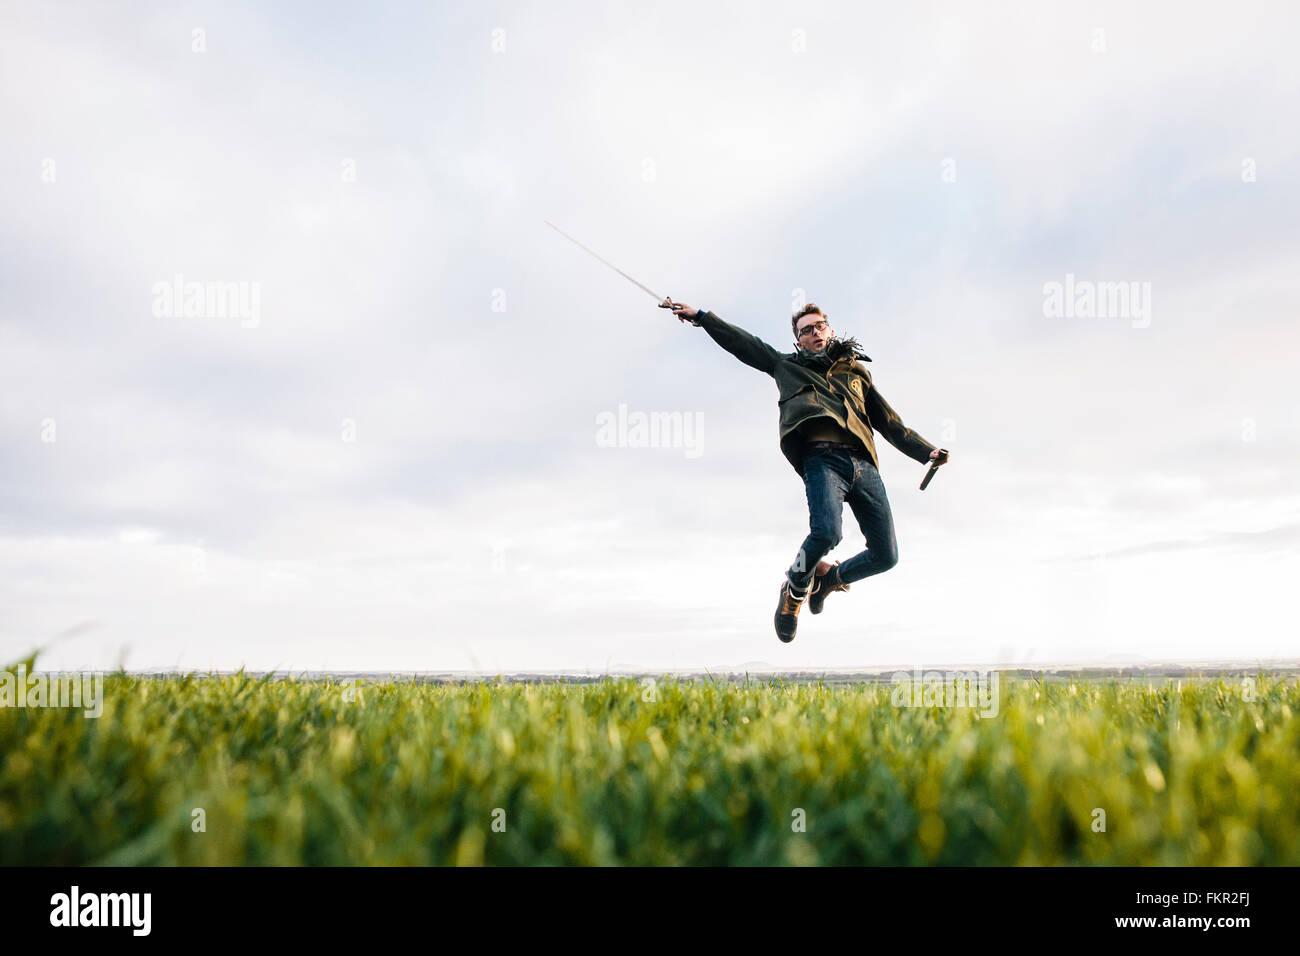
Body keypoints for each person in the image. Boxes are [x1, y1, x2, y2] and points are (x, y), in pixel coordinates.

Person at [665, 300, 949, 643]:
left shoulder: (856, 373)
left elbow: (889, 422)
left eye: (819, 326)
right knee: (827, 533)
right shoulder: (785, 365)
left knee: (886, 556)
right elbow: (743, 343)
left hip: (864, 465)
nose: (814, 333)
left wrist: (926, 450)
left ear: (829, 329)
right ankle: (795, 589)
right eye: (806, 330)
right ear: (798, 340)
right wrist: (701, 317)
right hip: (822, 459)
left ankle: (829, 579)